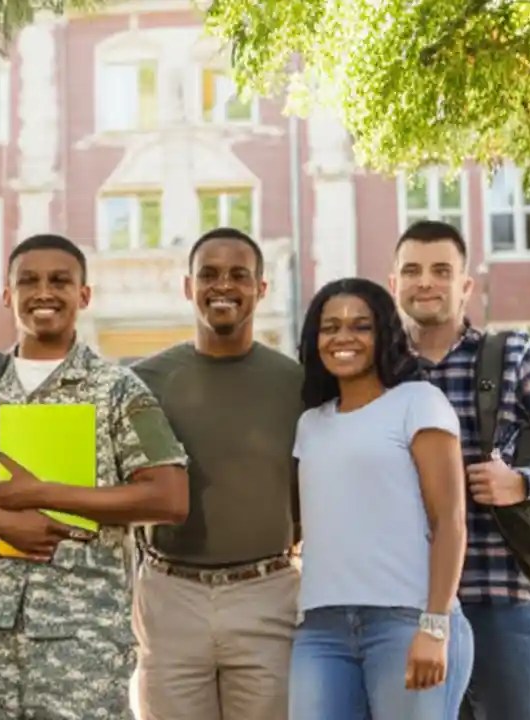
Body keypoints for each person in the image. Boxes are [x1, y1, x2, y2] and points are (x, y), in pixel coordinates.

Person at [0, 233, 190, 719]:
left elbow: (170, 496)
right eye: (28, 281)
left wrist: (47, 494)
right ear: (8, 294)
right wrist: (7, 523)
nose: (44, 293)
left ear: (84, 295)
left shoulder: (116, 388)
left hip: (82, 634)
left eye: (60, 281)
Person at [389, 220, 530, 719]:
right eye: (413, 271)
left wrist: (522, 483)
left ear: (465, 285)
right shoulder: (383, 373)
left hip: (499, 600)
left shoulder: (511, 356)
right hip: (404, 606)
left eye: (442, 270)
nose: (426, 281)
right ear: (394, 284)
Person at [130, 227, 303, 720]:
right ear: (188, 287)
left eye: (238, 275)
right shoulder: (145, 381)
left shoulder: (295, 382)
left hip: (266, 592)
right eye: (208, 274)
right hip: (171, 596)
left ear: (261, 288)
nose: (222, 285)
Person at [289, 277, 472, 720]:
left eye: (361, 326)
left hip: (406, 621)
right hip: (321, 628)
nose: (343, 337)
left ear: (384, 334)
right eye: (330, 327)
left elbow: (449, 520)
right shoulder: (310, 424)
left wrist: (435, 624)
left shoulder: (418, 401)